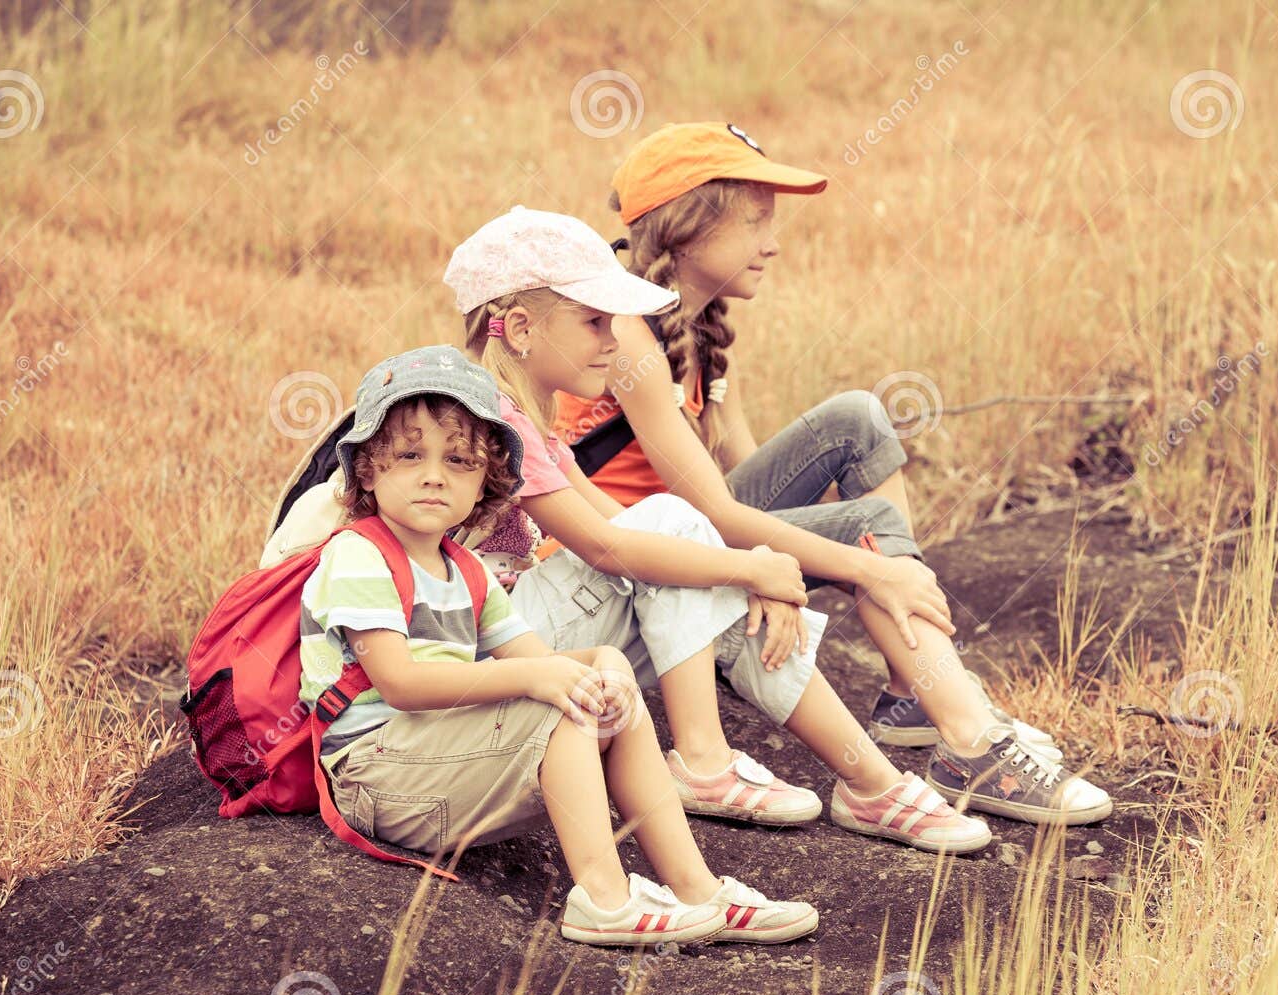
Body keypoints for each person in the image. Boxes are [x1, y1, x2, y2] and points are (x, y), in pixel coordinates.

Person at [553, 123, 1112, 826]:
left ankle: (915, 684)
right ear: (689, 230)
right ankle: (969, 742)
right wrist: (861, 569)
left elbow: (741, 478)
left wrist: (784, 559)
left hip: (690, 532)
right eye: (755, 221)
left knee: (857, 417)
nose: (773, 242)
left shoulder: (695, 321)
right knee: (867, 532)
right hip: (632, 566)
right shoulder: (631, 334)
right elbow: (723, 518)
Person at [443, 207, 991, 854]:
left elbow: (617, 523)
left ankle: (869, 780)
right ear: (523, 329)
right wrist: (747, 568)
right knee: (679, 528)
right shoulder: (490, 416)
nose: (612, 341)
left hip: (516, 639)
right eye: (593, 323)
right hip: (473, 661)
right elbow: (606, 545)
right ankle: (712, 762)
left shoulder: (529, 422)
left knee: (686, 539)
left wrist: (736, 566)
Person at [299, 343, 818, 946]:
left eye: (460, 461)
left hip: (441, 764)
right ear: (367, 469)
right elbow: (402, 684)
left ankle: (699, 890)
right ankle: (603, 898)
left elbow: (536, 661)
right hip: (377, 775)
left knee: (601, 685)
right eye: (409, 456)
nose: (435, 474)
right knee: (556, 701)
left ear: (485, 481)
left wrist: (604, 665)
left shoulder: (464, 569)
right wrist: (540, 681)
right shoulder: (358, 553)